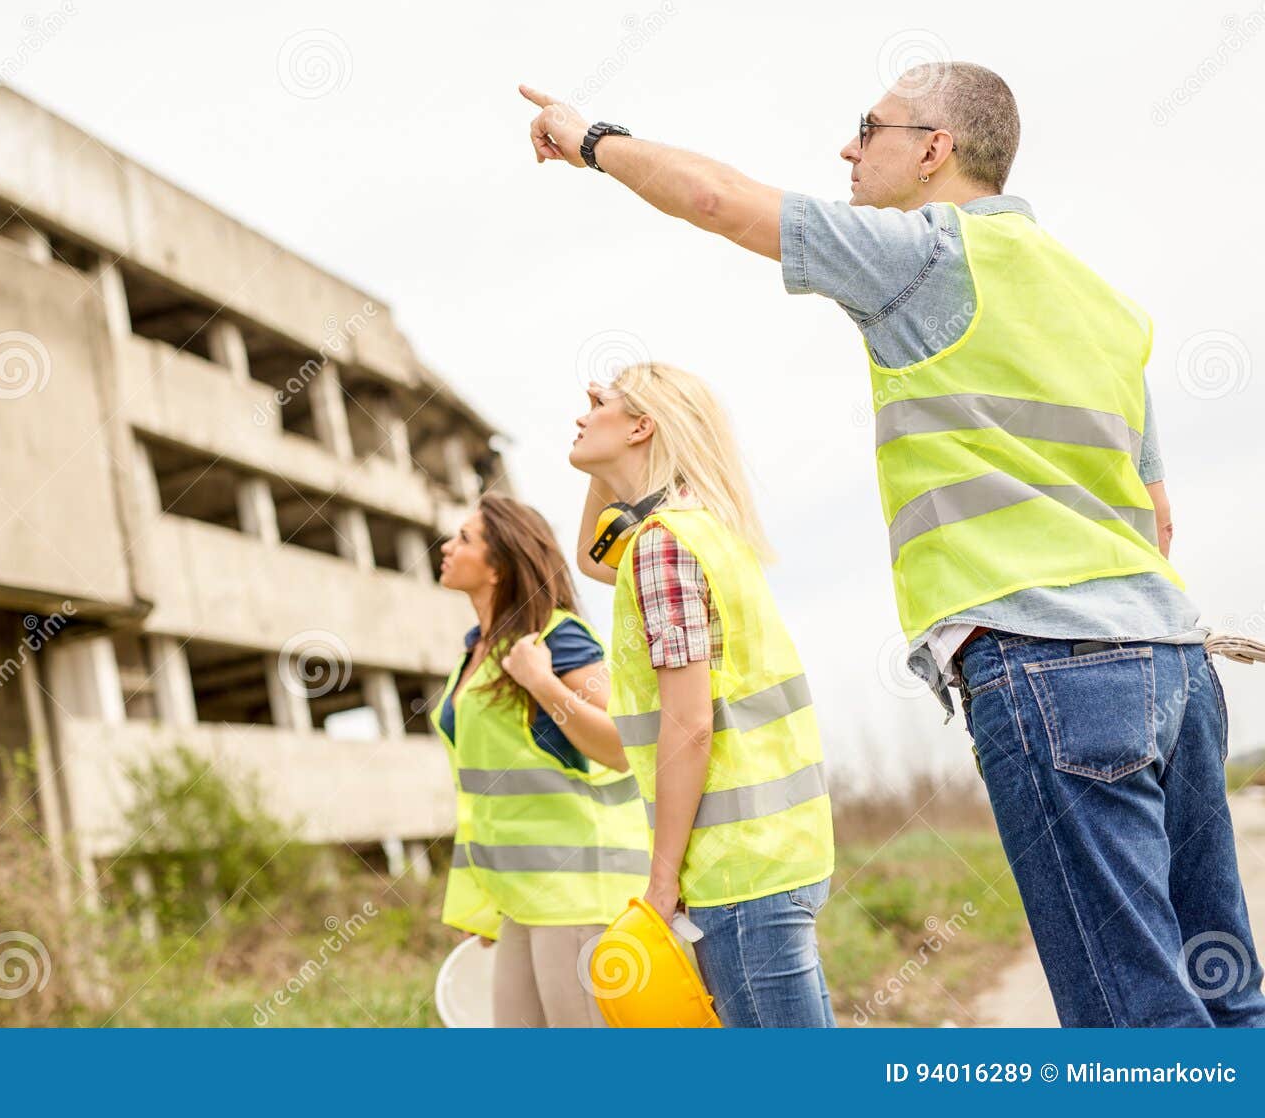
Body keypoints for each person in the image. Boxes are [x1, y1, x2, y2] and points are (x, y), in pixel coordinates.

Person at [519, 61, 1265, 1027]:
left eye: (867, 127)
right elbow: (1156, 517)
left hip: (1053, 666)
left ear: (934, 149)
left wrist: (589, 141)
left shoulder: (923, 254)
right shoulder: (1106, 306)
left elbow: (715, 198)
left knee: (1136, 1021)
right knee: (1226, 994)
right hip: (1177, 668)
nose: (847, 148)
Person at [570, 361, 835, 1027]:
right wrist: (610, 463)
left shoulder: (663, 547)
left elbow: (687, 727)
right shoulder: (699, 530)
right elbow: (591, 559)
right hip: (781, 853)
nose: (579, 416)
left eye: (598, 406)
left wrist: (662, 882)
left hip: (737, 871)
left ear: (641, 424)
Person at [433, 493, 650, 1027]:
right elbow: (484, 800)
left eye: (464, 538)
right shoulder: (475, 651)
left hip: (578, 895)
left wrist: (541, 681)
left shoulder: (559, 639)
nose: (445, 547)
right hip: (520, 900)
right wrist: (481, 906)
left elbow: (623, 747)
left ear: (499, 565)